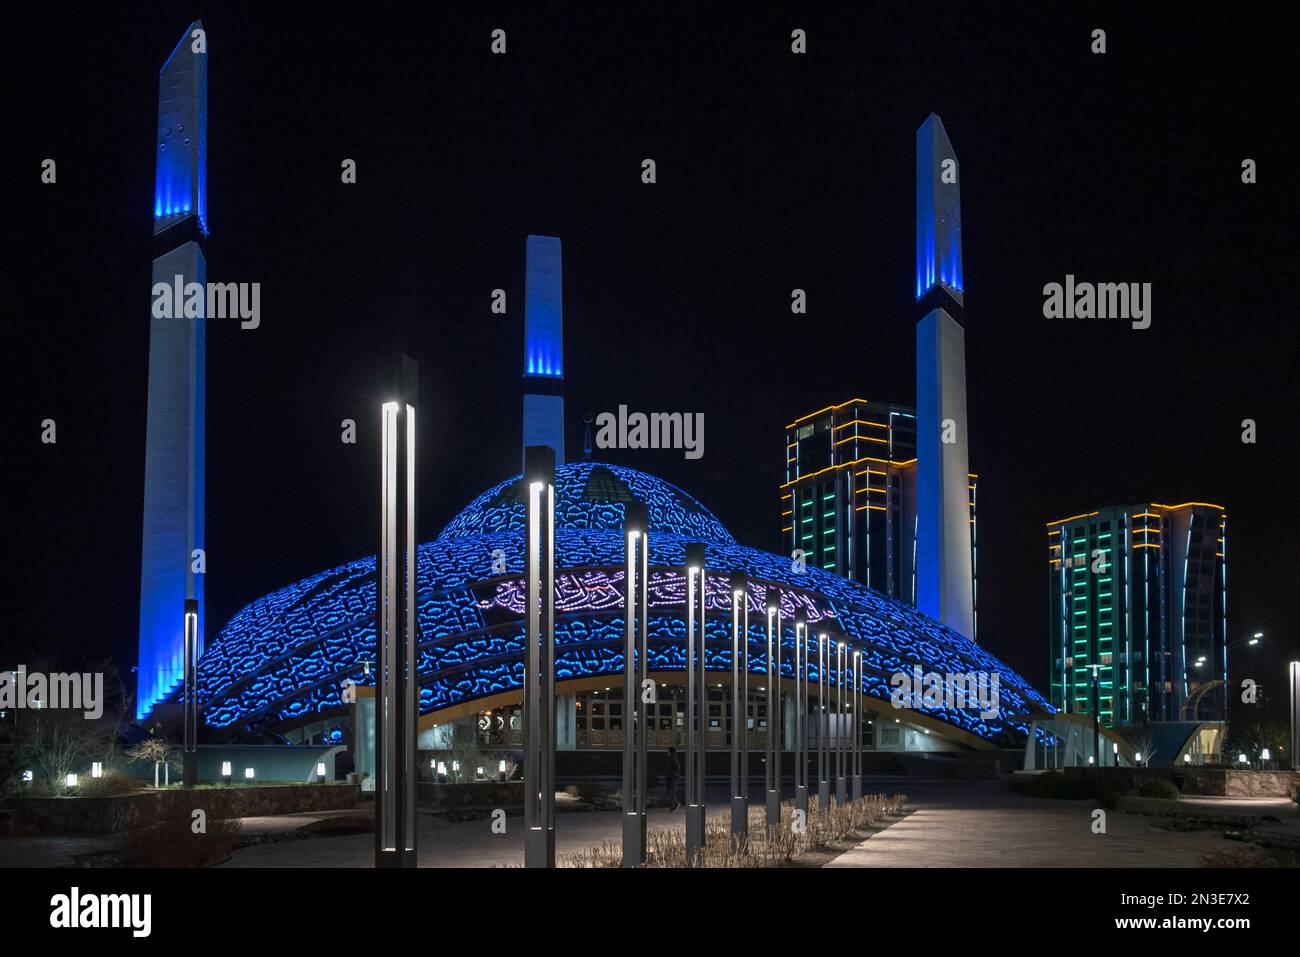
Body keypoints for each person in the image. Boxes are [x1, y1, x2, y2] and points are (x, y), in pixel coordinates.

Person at [664, 745, 681, 811]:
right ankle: (674, 805)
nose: (667, 752)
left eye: (668, 751)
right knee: (670, 792)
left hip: (673, 777)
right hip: (669, 777)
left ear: (670, 751)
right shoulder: (669, 758)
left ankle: (675, 805)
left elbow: (677, 767)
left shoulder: (674, 758)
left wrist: (673, 774)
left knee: (672, 792)